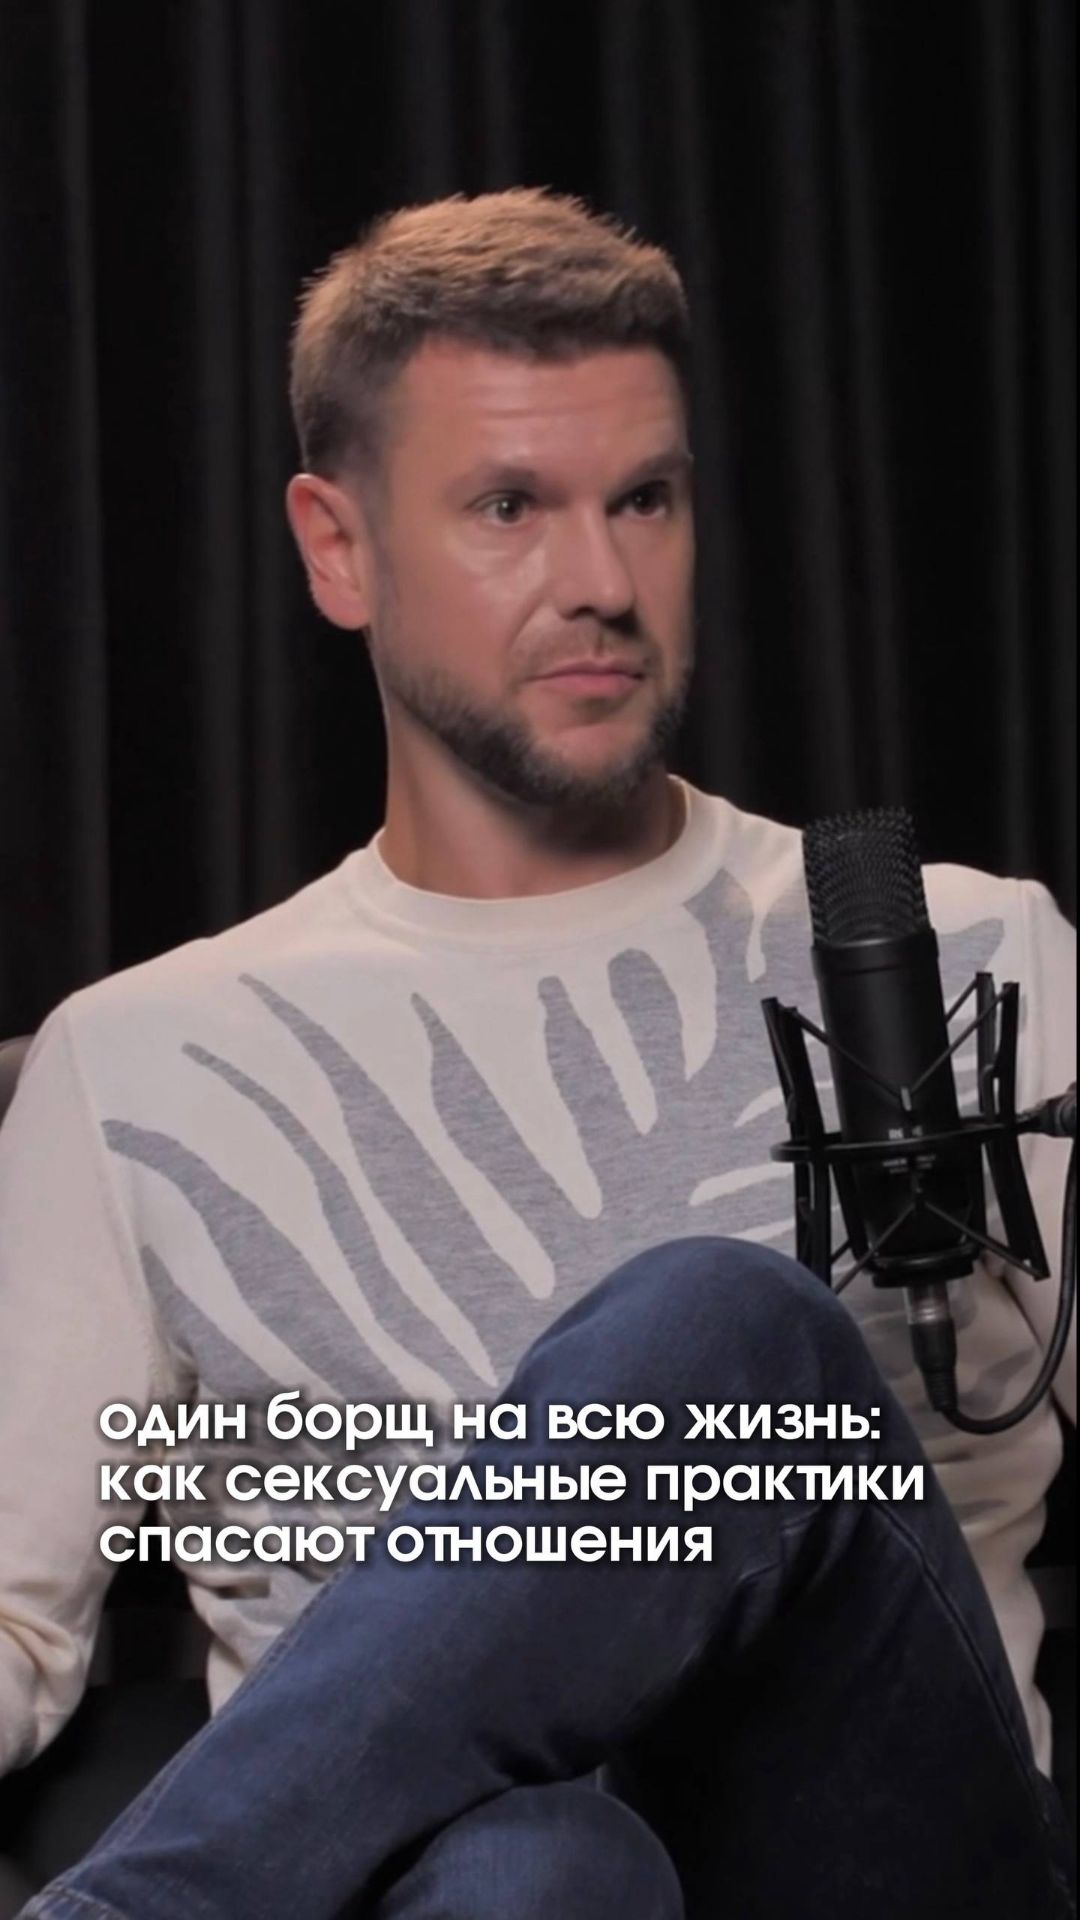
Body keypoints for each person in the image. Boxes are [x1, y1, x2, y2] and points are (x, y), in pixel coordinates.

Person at [0, 189, 1074, 1917]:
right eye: (510, 507)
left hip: (885, 1873)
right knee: (533, 1865)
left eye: (644, 499)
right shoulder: (140, 1062)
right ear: (338, 549)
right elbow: (11, 1622)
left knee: (724, 1325)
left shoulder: (966, 960)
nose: (602, 584)